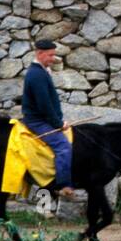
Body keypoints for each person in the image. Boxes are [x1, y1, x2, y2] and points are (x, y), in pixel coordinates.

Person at [22, 40, 75, 196]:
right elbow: (44, 105)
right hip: (38, 122)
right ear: (39, 53)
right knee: (63, 147)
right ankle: (63, 185)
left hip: (42, 120)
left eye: (54, 54)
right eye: (50, 55)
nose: (53, 58)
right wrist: (59, 124)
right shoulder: (37, 74)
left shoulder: (40, 71)